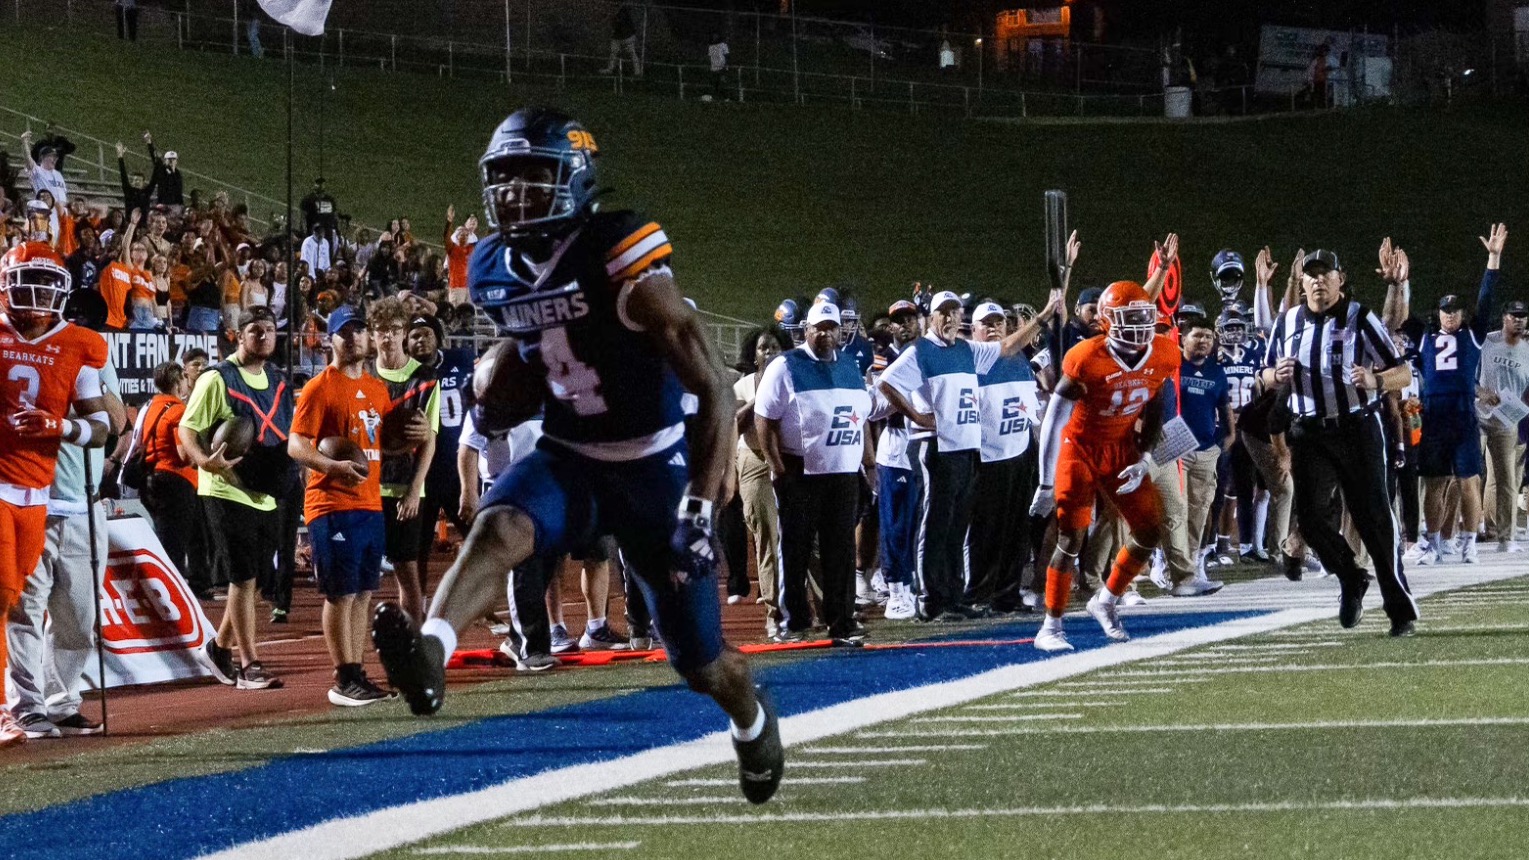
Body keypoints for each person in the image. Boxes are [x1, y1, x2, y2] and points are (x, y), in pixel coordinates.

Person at [371, 108, 783, 805]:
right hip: (570, 454)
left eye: (533, 177)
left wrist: (701, 508)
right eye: (502, 180)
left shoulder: (619, 251)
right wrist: (499, 392)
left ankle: (751, 720)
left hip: (654, 464)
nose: (514, 195)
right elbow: (536, 357)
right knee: (499, 528)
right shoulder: (495, 265)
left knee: (702, 663)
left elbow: (713, 383)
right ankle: (430, 657)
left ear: (575, 177)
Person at [1261, 249, 1417, 636]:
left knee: (1375, 520)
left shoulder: (1359, 317)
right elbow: (1261, 375)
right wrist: (1272, 376)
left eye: (1324, 274)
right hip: (1309, 431)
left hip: (1357, 428)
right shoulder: (1289, 320)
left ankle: (1400, 611)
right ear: (1302, 282)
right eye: (1310, 275)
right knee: (1311, 522)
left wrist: (1375, 380)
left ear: (1339, 280)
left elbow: (1404, 373)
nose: (1317, 281)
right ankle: (1351, 576)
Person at [879, 289, 1057, 622]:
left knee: (954, 527)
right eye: (942, 313)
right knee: (935, 526)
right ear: (931, 318)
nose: (949, 318)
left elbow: (1007, 346)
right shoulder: (920, 350)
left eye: (954, 312)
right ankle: (929, 598)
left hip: (963, 447)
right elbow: (887, 384)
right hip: (935, 446)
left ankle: (952, 596)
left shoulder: (966, 350)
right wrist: (917, 417)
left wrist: (1045, 313)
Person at [0, 242, 112, 747]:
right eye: (30, 281)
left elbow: (109, 422)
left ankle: (60, 699)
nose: (39, 293)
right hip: (19, 488)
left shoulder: (83, 345)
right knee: (20, 606)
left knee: (80, 616)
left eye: (48, 283)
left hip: (70, 498)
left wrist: (61, 424)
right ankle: (23, 706)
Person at [179, 306, 296, 689]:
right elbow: (188, 429)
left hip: (265, 491)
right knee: (242, 578)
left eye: (268, 330)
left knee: (254, 580)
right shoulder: (217, 379)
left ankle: (218, 647)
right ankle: (250, 665)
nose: (262, 336)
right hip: (226, 487)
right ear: (237, 335)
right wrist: (203, 462)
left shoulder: (278, 379)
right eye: (254, 330)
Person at [288, 305, 398, 706]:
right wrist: (331, 466)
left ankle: (358, 671)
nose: (353, 337)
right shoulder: (320, 387)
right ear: (329, 340)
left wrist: (412, 434)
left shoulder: (378, 388)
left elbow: (383, 442)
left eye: (359, 330)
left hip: (370, 502)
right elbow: (296, 443)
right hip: (332, 502)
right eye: (344, 331)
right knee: (341, 593)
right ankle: (343, 676)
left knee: (364, 591)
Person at [755, 301, 879, 644]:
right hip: (800, 470)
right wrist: (777, 467)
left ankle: (841, 620)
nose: (825, 334)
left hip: (842, 473)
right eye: (818, 327)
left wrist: (867, 465)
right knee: (795, 549)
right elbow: (764, 419)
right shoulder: (785, 365)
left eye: (831, 328)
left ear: (840, 332)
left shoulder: (851, 367)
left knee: (840, 549)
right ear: (806, 330)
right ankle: (793, 622)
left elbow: (863, 419)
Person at [1414, 226, 1506, 565]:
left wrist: (1493, 259)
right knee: (1434, 484)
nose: (1450, 315)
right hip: (1435, 417)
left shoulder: (1473, 334)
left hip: (1463, 415)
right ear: (1437, 313)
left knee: (1470, 481)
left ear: (1461, 314)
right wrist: (1398, 282)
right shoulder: (1424, 337)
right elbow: (1396, 317)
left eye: (1455, 310)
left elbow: (1487, 299)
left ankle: (1468, 542)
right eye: (1445, 310)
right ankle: (1432, 542)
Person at [965, 301, 1044, 612]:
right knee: (986, 530)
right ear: (973, 330)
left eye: (999, 322)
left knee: (1017, 530)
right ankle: (978, 594)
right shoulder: (973, 358)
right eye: (986, 323)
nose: (994, 327)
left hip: (1019, 451)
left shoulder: (1019, 359)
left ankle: (1007, 594)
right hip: (986, 455)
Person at [368, 298, 440, 623]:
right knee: (362, 572)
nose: (388, 337)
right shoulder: (363, 376)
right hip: (366, 487)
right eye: (381, 330)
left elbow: (429, 441)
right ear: (372, 336)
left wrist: (415, 489)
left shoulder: (425, 378)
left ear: (403, 334)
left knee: (406, 570)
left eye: (395, 330)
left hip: (404, 489)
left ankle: (415, 641)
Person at [408, 314, 474, 594]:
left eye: (426, 334)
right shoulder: (404, 373)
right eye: (414, 335)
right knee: (417, 549)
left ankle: (480, 602)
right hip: (419, 476)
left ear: (438, 337)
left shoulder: (462, 360)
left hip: (456, 468)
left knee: (478, 541)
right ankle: (418, 605)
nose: (421, 340)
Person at [732, 327, 788, 637]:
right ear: (754, 355)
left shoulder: (794, 382)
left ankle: (822, 609)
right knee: (767, 536)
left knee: (809, 536)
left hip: (790, 460)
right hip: (753, 459)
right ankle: (774, 613)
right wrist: (760, 398)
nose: (769, 353)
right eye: (764, 348)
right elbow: (734, 425)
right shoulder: (742, 387)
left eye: (775, 347)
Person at [1171, 314, 1233, 593]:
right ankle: (1166, 563)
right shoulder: (1172, 365)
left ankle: (1192, 564)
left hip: (1207, 448)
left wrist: (1228, 436)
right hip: (1176, 448)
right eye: (1198, 335)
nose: (1204, 341)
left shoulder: (1216, 371)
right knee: (1175, 509)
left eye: (1208, 336)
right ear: (1183, 339)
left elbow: (1224, 405)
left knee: (1198, 512)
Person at [139, 362, 212, 597]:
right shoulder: (179, 411)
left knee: (181, 538)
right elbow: (184, 456)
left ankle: (193, 585)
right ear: (179, 381)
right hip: (177, 482)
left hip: (153, 478)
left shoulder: (150, 407)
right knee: (176, 545)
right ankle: (174, 595)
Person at [1481, 296, 1529, 552]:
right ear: (1504, 318)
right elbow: (1467, 372)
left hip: (1508, 418)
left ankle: (1505, 537)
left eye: (1522, 317)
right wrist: (1480, 393)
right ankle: (1461, 531)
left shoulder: (1528, 348)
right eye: (1514, 316)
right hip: (1479, 414)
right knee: (1467, 476)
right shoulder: (1487, 341)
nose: (1519, 321)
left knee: (1508, 479)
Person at [18, 132, 68, 204]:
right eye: (52, 156)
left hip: (61, 211)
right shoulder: (37, 171)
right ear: (42, 157)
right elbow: (28, 159)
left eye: (56, 157)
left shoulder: (58, 175)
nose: (55, 159)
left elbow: (64, 194)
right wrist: (25, 142)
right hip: (46, 209)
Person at [443, 206, 478, 307]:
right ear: (456, 237)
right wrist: (449, 222)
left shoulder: (472, 248)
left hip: (470, 286)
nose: (464, 236)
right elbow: (446, 237)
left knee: (470, 314)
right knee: (457, 313)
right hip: (457, 287)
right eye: (461, 234)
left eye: (466, 235)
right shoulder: (453, 249)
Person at [144, 132, 184, 210]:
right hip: (163, 205)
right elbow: (154, 157)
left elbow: (179, 190)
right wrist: (149, 142)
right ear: (165, 160)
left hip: (175, 206)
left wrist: (181, 205)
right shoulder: (162, 169)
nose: (171, 161)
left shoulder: (178, 173)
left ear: (176, 161)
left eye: (173, 159)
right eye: (169, 159)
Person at [601, 6, 642, 76]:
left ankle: (637, 72)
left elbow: (619, 23)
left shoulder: (623, 12)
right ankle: (610, 69)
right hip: (619, 37)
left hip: (627, 36)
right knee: (614, 52)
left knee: (632, 53)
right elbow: (615, 24)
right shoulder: (619, 11)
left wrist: (611, 19)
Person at [706, 33, 729, 102]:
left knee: (722, 84)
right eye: (713, 36)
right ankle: (715, 98)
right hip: (713, 68)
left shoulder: (723, 45)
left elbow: (727, 55)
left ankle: (725, 98)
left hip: (722, 68)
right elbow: (710, 57)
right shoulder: (711, 47)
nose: (715, 38)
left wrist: (726, 66)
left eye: (716, 36)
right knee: (715, 84)